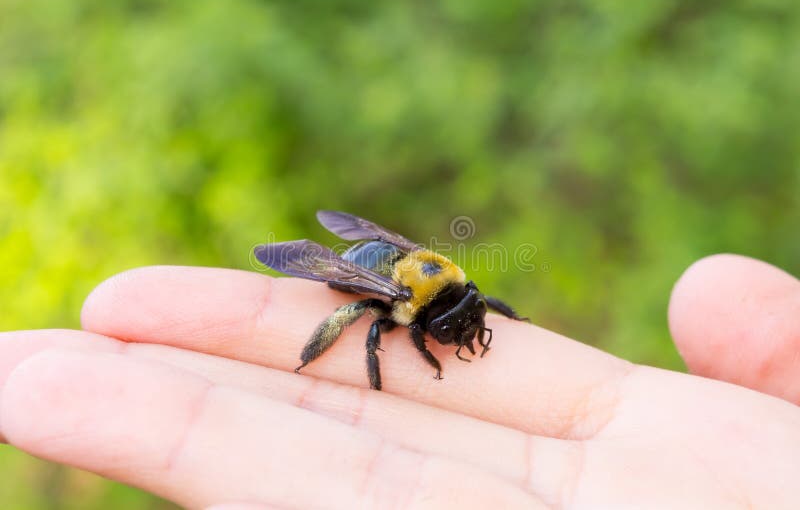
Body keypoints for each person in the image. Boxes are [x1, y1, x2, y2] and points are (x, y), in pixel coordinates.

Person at [0, 253, 797, 509]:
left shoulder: (455, 287)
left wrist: (488, 322)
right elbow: (401, 328)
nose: (460, 330)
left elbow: (461, 302)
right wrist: (397, 368)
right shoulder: (396, 304)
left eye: (468, 318)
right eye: (451, 326)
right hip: (366, 278)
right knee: (354, 330)